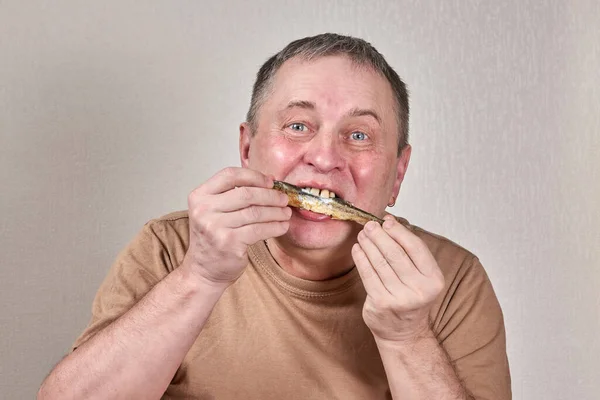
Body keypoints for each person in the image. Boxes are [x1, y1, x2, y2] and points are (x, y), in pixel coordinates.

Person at [38, 33, 511, 399]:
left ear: (398, 172)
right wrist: (199, 277)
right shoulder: (173, 247)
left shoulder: (452, 277)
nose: (325, 158)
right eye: (298, 126)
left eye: (360, 135)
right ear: (248, 148)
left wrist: (408, 337)